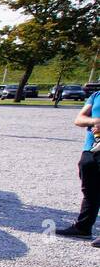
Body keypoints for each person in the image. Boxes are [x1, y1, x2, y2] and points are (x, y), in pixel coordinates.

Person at [55, 90, 100, 245]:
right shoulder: (96, 95)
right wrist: (94, 121)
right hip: (91, 148)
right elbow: (79, 119)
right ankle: (83, 227)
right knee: (89, 190)